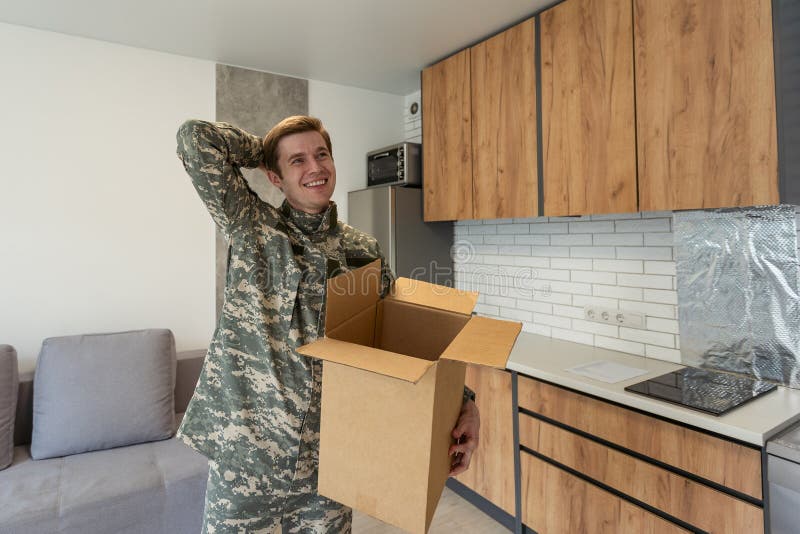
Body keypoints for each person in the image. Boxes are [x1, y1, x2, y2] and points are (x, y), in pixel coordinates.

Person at [175, 116, 480, 533]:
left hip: (330, 465)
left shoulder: (362, 249)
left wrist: (464, 402)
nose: (315, 167)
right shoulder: (252, 227)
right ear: (275, 177)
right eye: (296, 161)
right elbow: (195, 138)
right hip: (245, 463)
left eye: (321, 154)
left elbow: (404, 337)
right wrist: (264, 149)